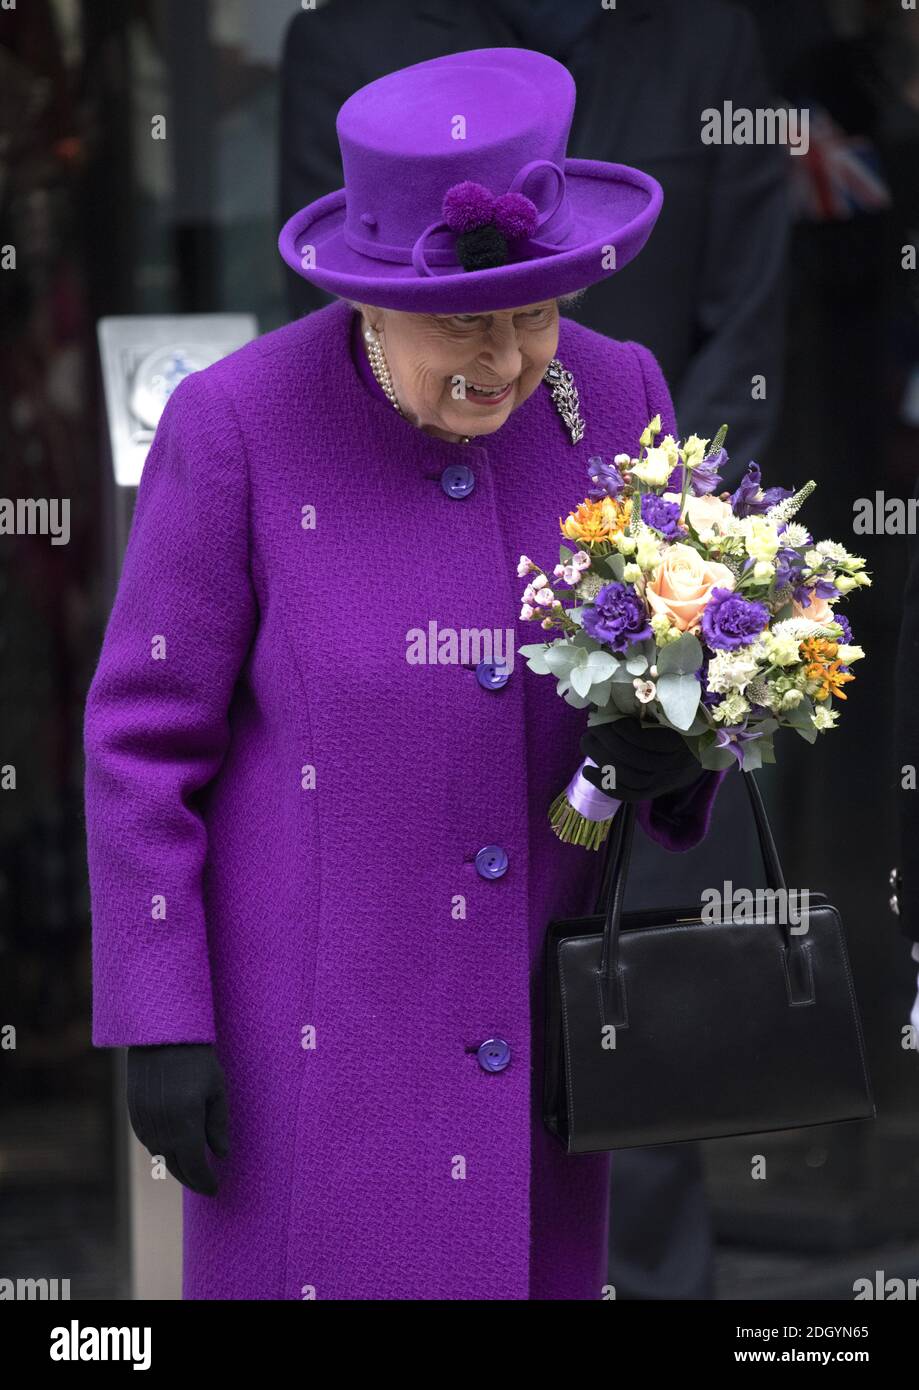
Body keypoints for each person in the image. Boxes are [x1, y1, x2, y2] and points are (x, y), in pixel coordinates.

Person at [84, 47, 726, 1301]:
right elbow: (140, 740)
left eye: (535, 311)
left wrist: (677, 740)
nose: (509, 360)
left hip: (534, 1050)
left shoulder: (618, 390)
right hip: (313, 1052)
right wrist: (160, 1014)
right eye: (466, 323)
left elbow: (680, 655)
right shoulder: (240, 424)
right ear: (373, 297)